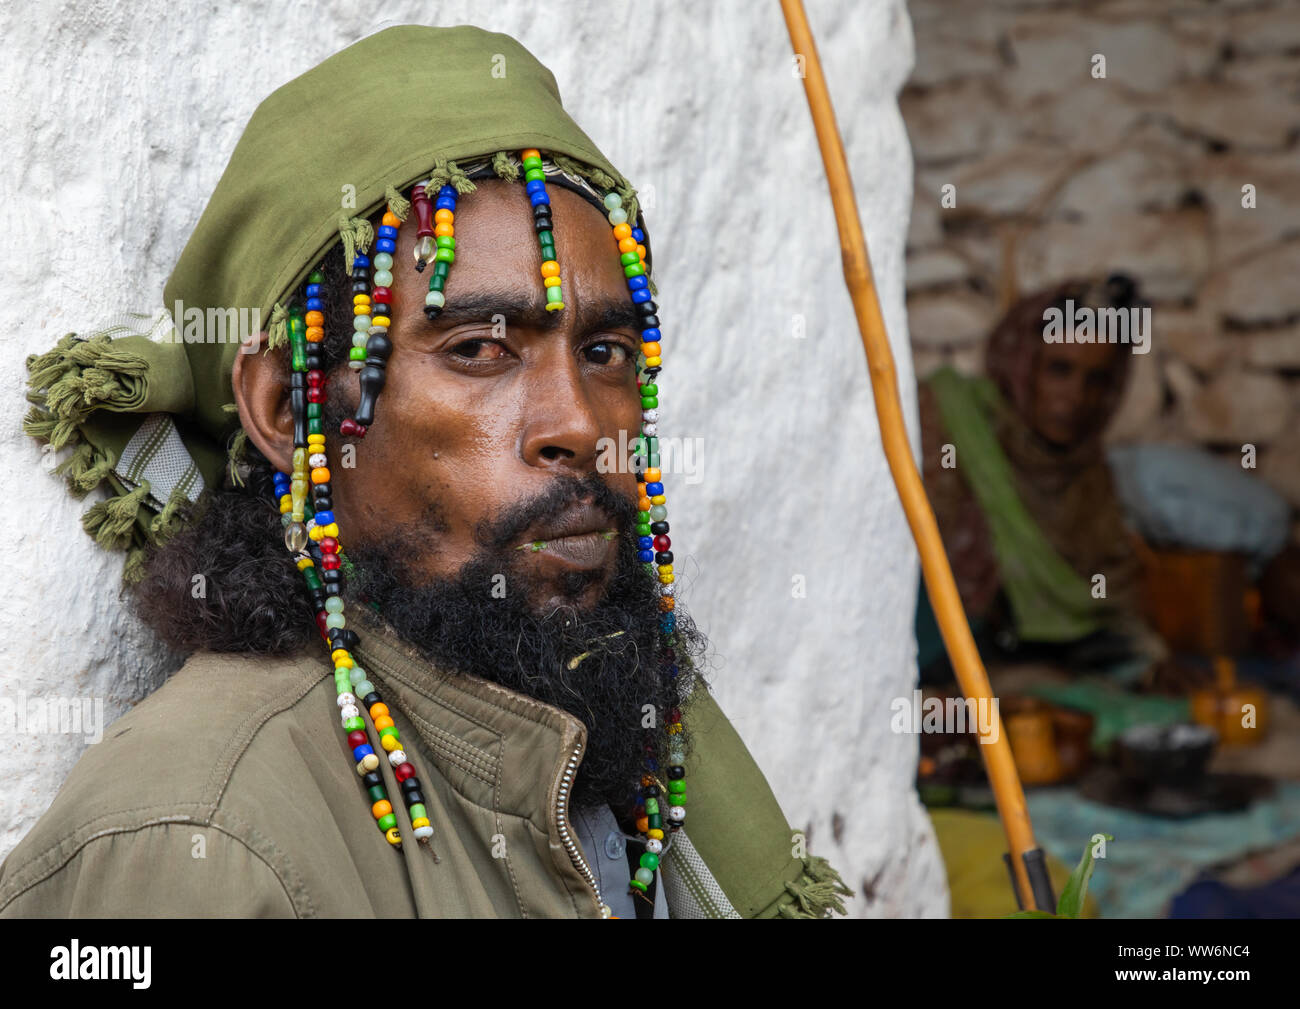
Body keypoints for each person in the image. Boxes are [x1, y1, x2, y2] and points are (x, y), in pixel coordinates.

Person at [2, 25, 849, 919]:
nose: (580, 424)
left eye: (605, 350)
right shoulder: (199, 843)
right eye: (480, 347)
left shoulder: (620, 746)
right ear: (292, 411)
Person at [915, 276, 1165, 677]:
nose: (1076, 397)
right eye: (1059, 370)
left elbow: (1108, 592)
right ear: (1021, 365)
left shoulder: (1086, 469)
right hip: (942, 649)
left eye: (1097, 379)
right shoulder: (948, 423)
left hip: (1038, 654)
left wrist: (1149, 659)